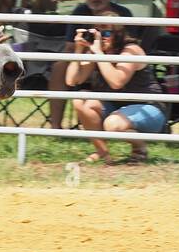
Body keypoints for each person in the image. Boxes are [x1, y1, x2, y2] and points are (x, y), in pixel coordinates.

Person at [67, 21, 169, 164]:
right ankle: (102, 153)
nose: (101, 38)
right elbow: (72, 81)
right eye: (97, 34)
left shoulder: (131, 50)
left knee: (112, 124)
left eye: (106, 33)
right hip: (116, 108)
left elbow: (116, 82)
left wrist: (98, 53)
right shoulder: (97, 52)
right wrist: (78, 50)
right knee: (80, 100)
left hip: (149, 109)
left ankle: (140, 147)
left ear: (119, 34)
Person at [46, 0, 132, 128]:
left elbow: (128, 46)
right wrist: (84, 49)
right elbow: (69, 47)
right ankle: (56, 127)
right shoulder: (80, 11)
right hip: (88, 57)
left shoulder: (123, 13)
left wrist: (102, 51)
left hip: (115, 60)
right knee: (59, 66)